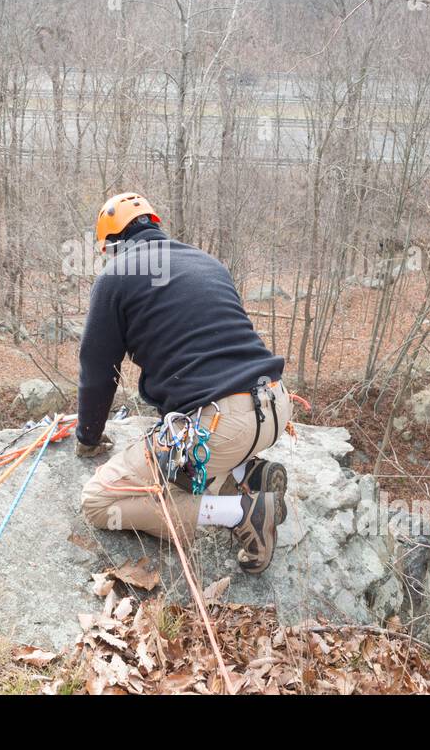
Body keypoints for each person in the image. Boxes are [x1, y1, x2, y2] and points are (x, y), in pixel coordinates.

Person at [77, 193, 293, 573]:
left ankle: (241, 512)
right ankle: (246, 473)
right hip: (275, 404)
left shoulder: (116, 275)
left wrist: (89, 438)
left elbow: (97, 372)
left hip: (219, 426)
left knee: (98, 501)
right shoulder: (206, 261)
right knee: (187, 457)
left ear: (112, 244)